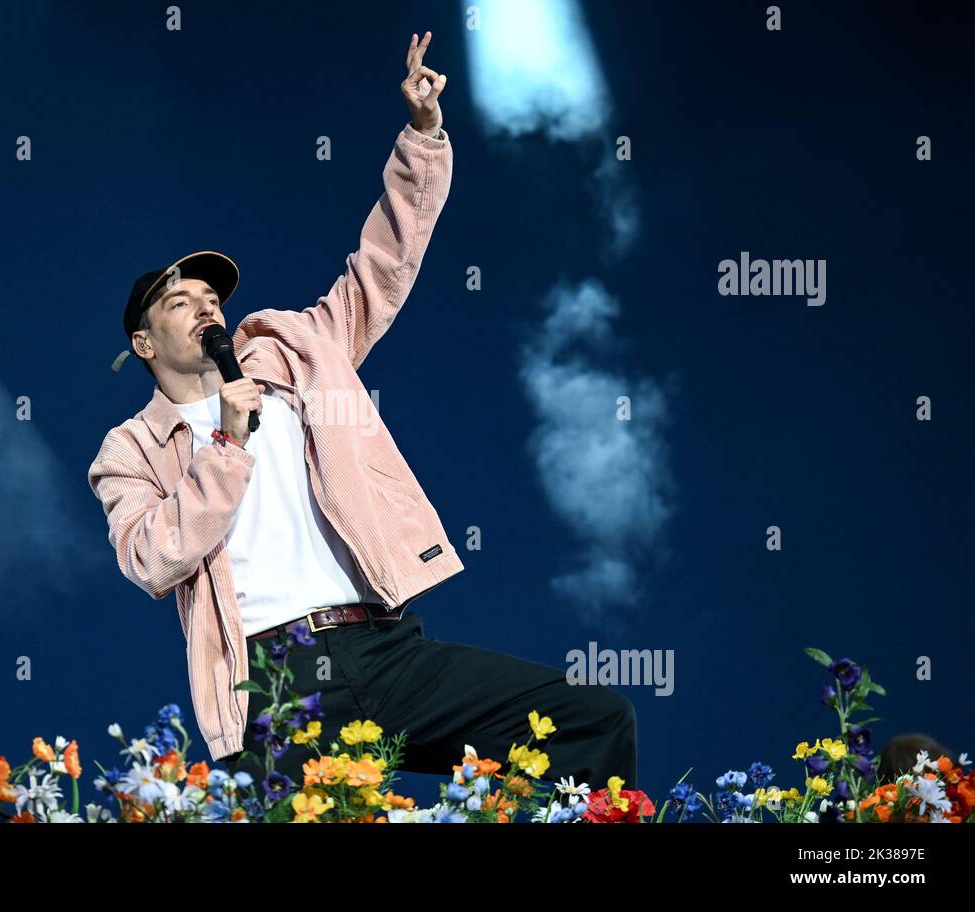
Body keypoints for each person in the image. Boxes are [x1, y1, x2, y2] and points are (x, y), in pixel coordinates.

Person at [87, 32, 637, 796]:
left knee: (592, 718)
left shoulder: (299, 351)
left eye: (213, 298)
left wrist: (422, 135)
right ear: (144, 341)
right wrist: (224, 445)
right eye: (180, 303)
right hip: (275, 684)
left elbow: (381, 266)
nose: (206, 308)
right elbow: (151, 557)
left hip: (384, 645)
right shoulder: (129, 450)